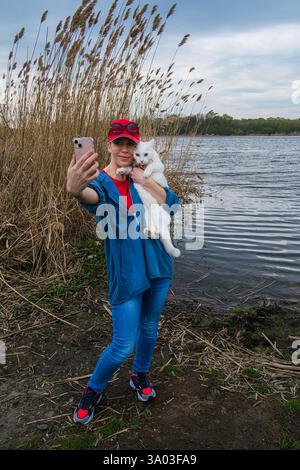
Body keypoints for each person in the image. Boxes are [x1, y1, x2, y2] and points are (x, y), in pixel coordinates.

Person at [66, 118, 180, 425]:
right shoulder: (101, 182)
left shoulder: (143, 173)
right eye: (119, 143)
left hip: (158, 264)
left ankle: (139, 375)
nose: (126, 149)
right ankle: (93, 390)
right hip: (127, 271)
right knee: (122, 343)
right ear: (109, 145)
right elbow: (91, 199)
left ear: (137, 145)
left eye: (131, 143)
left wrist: (144, 181)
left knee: (149, 327)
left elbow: (172, 204)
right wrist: (76, 190)